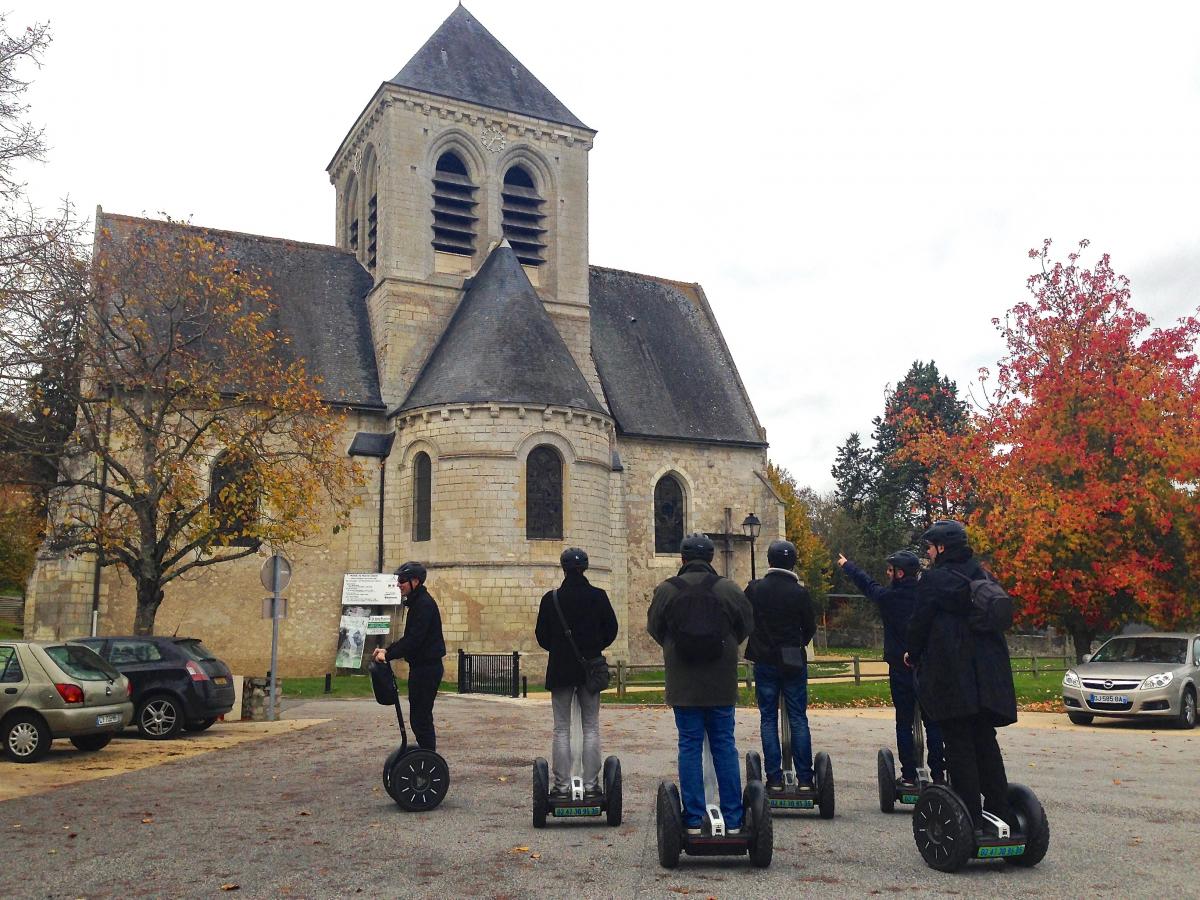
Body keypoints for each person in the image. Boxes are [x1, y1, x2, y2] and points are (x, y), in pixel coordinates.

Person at [905, 520, 1017, 834]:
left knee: (958, 743)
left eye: (930, 547)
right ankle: (1001, 809)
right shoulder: (982, 574)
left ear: (942, 548)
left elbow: (919, 623)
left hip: (953, 674)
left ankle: (970, 816)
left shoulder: (933, 580)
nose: (927, 553)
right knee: (985, 740)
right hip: (989, 676)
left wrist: (911, 654)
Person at [648, 533, 754, 836]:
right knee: (724, 745)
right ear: (711, 559)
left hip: (683, 682)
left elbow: (655, 628)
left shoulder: (667, 590)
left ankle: (693, 818)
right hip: (720, 680)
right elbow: (746, 624)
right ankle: (733, 818)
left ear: (682, 559)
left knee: (690, 745)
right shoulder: (728, 589)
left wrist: (677, 647)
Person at [837, 549, 945, 788]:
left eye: (891, 570)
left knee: (904, 722)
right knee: (933, 722)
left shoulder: (889, 598)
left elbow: (868, 585)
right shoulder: (927, 596)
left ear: (899, 573)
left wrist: (848, 566)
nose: (888, 573)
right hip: (927, 666)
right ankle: (938, 774)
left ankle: (908, 774)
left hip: (900, 668)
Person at [534, 547, 619, 798]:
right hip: (590, 669)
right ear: (585, 568)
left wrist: (560, 649)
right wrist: (594, 647)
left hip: (561, 668)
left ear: (563, 568)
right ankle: (591, 784)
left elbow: (542, 636)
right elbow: (611, 629)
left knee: (561, 728)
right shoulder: (598, 596)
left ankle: (561, 785)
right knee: (591, 726)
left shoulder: (551, 599)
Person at [744, 539, 817, 792]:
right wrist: (797, 643)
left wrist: (758, 637)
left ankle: (774, 779)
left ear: (770, 560)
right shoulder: (800, 593)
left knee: (768, 718)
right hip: (792, 659)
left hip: (764, 659)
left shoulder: (755, 589)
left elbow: (745, 618)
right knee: (797, 717)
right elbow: (810, 627)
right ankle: (806, 779)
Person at [372, 561, 446, 751]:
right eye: (398, 580)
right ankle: (427, 758)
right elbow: (409, 638)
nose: (398, 584)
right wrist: (387, 651)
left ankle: (429, 762)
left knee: (421, 719)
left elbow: (414, 640)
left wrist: (387, 654)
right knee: (419, 718)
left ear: (416, 581)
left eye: (402, 580)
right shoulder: (417, 603)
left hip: (427, 669)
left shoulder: (424, 604)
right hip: (421, 668)